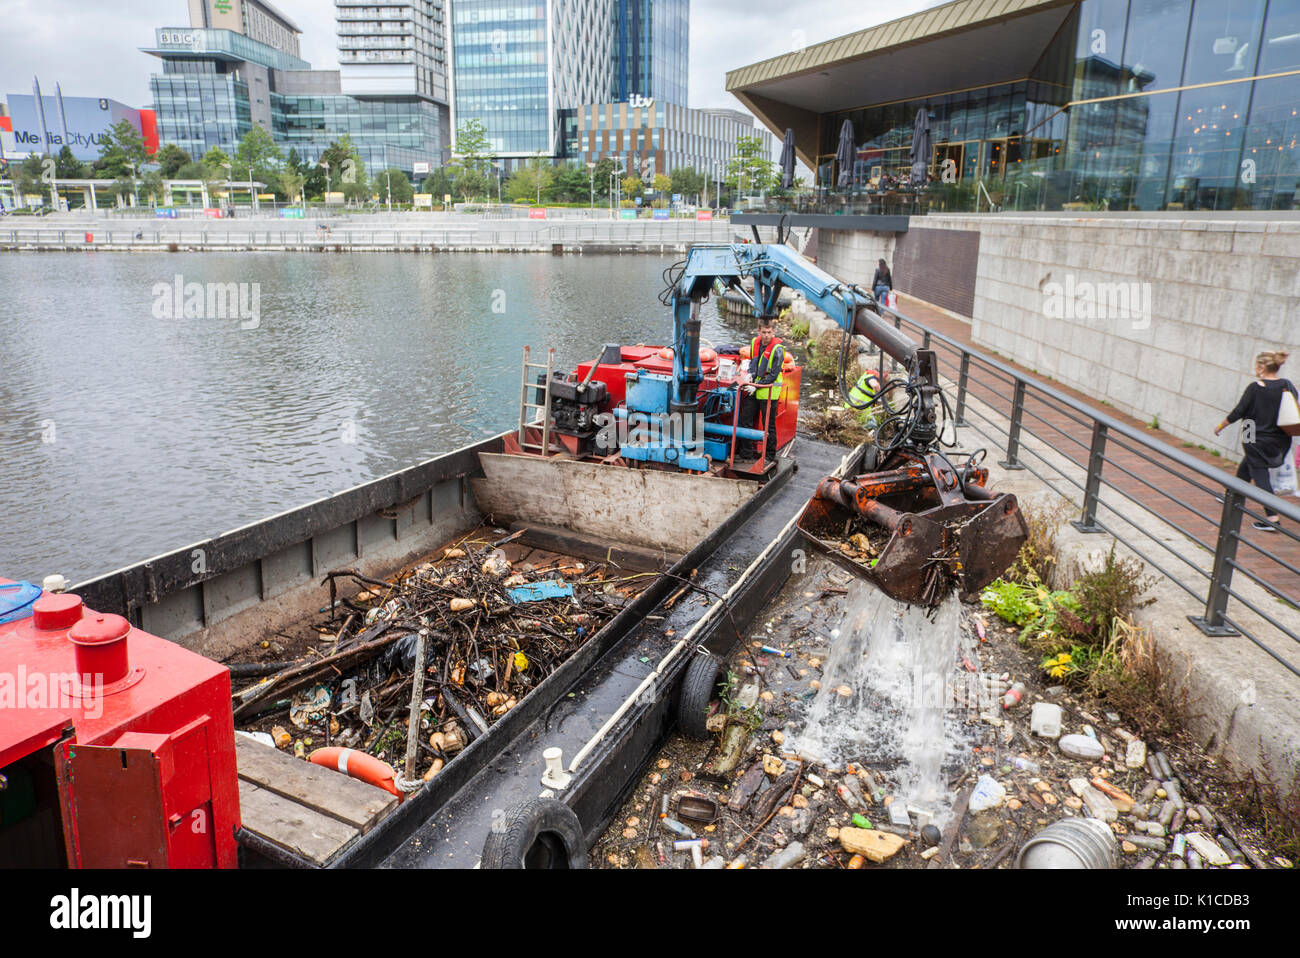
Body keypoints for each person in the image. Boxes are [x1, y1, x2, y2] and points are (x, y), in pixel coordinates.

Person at [1215, 350, 1297, 531]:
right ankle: (1232, 495)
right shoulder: (1287, 385)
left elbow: (1239, 411)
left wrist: (1221, 426)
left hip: (1253, 434)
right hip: (1279, 438)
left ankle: (1272, 518)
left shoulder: (1255, 387)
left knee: (1260, 476)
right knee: (1248, 465)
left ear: (1261, 367)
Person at [738, 317, 785, 461]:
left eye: (769, 332)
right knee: (745, 419)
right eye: (764, 332)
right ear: (759, 331)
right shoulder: (755, 343)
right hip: (755, 388)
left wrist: (756, 385)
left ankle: (769, 456)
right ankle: (745, 453)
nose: (766, 335)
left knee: (768, 425)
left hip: (768, 391)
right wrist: (750, 375)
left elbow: (773, 375)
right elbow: (754, 362)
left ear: (773, 332)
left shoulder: (777, 350)